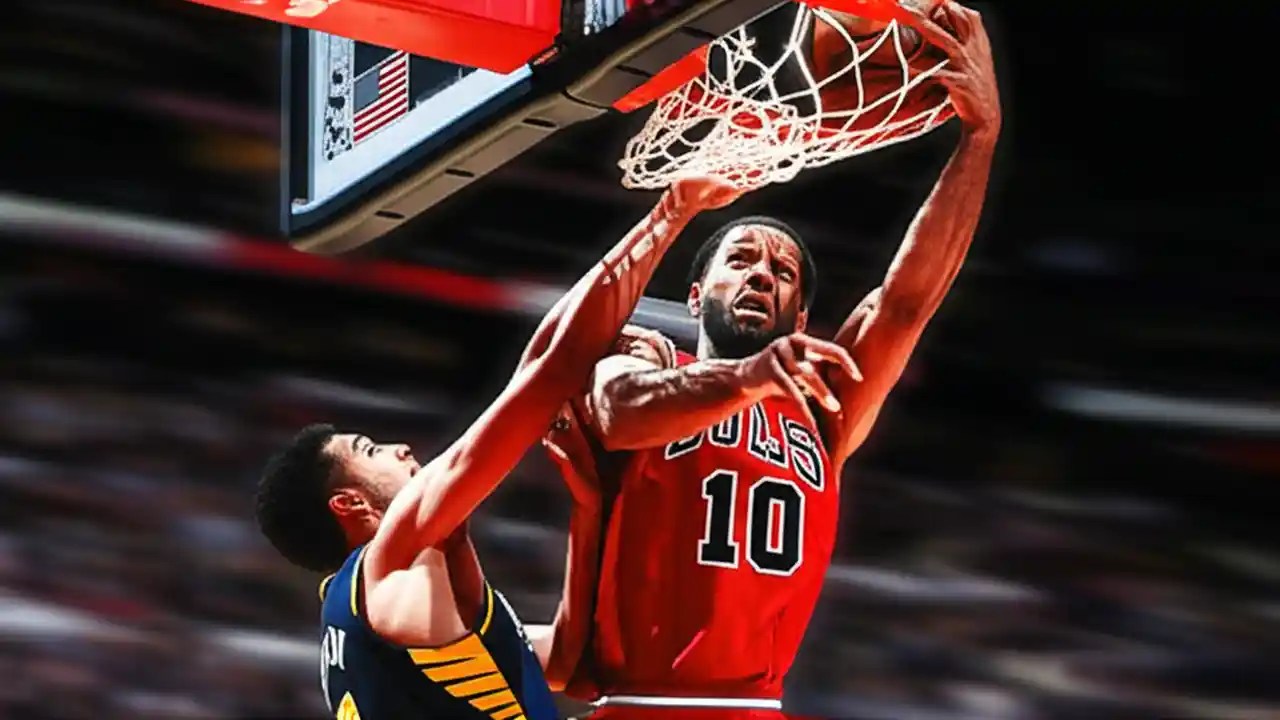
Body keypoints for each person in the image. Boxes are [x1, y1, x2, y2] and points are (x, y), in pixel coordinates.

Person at [548, 2, 1003, 715]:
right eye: (742, 258)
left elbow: (905, 302)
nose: (763, 273)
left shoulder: (824, 404)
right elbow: (617, 415)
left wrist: (980, 135)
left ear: (799, 316)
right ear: (696, 297)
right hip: (642, 701)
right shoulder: (643, 355)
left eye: (783, 271)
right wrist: (748, 377)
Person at [252, 177, 744, 720]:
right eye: (368, 449)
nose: (400, 448)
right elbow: (544, 371)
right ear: (351, 504)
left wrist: (589, 505)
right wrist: (670, 214)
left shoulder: (386, 612)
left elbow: (569, 665)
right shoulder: (387, 565)